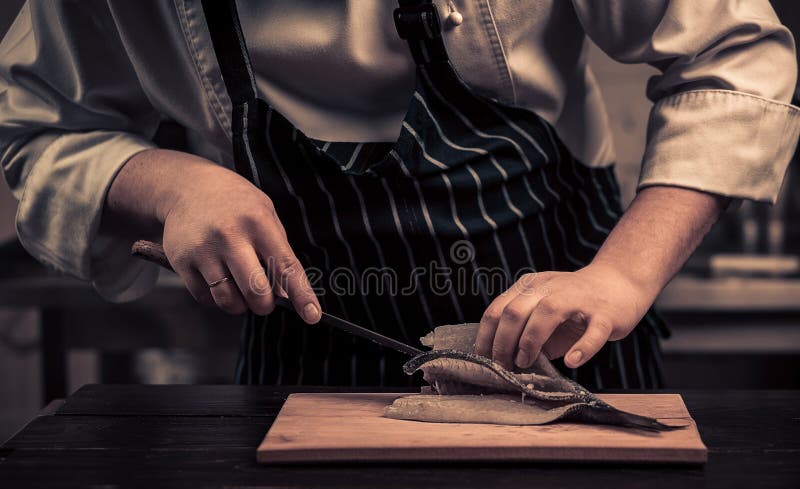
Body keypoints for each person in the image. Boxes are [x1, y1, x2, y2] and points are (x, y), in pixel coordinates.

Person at [1, 0, 798, 388]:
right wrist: (165, 183)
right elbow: (33, 131)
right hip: (306, 376)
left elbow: (733, 57)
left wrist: (621, 275)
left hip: (574, 352)